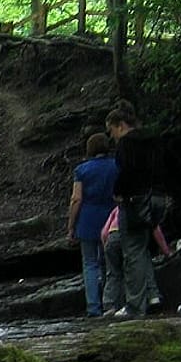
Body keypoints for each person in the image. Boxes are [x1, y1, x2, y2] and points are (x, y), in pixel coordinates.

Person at [106, 103, 173, 317]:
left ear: (121, 125)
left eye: (112, 131)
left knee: (133, 251)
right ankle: (150, 297)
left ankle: (135, 306)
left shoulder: (127, 144)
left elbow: (128, 171)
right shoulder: (154, 140)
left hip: (136, 200)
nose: (113, 136)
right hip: (159, 198)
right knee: (143, 248)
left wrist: (118, 192)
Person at [67, 132, 118, 317]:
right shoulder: (116, 166)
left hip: (88, 219)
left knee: (89, 264)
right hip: (111, 217)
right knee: (108, 262)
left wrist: (71, 225)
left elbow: (76, 198)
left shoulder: (82, 170)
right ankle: (110, 304)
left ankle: (93, 307)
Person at [100, 205, 171, 314]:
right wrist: (166, 251)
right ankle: (153, 296)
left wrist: (107, 248)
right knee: (140, 262)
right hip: (129, 235)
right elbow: (155, 230)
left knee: (113, 273)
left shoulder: (117, 209)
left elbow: (104, 232)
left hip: (111, 237)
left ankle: (110, 304)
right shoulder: (143, 207)